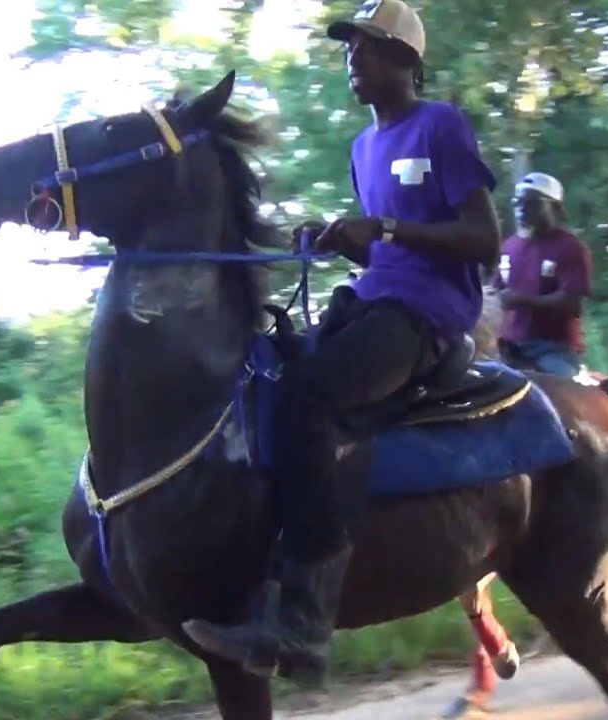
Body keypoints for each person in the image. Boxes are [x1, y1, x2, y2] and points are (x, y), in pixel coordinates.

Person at [182, 0, 502, 682]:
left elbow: (484, 241)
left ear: (406, 62)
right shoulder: (362, 148)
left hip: (429, 316)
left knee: (307, 398)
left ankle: (302, 624)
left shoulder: (440, 126)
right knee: (268, 376)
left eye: (368, 47)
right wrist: (337, 239)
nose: (351, 59)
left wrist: (382, 228)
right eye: (349, 48)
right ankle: (258, 587)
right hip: (373, 301)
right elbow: (380, 257)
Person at [492, 172, 593, 378]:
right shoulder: (510, 246)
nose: (521, 208)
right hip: (510, 348)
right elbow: (495, 291)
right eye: (517, 202)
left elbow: (572, 303)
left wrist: (522, 299)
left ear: (554, 206)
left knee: (558, 401)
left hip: (555, 351)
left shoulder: (570, 247)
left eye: (531, 202)